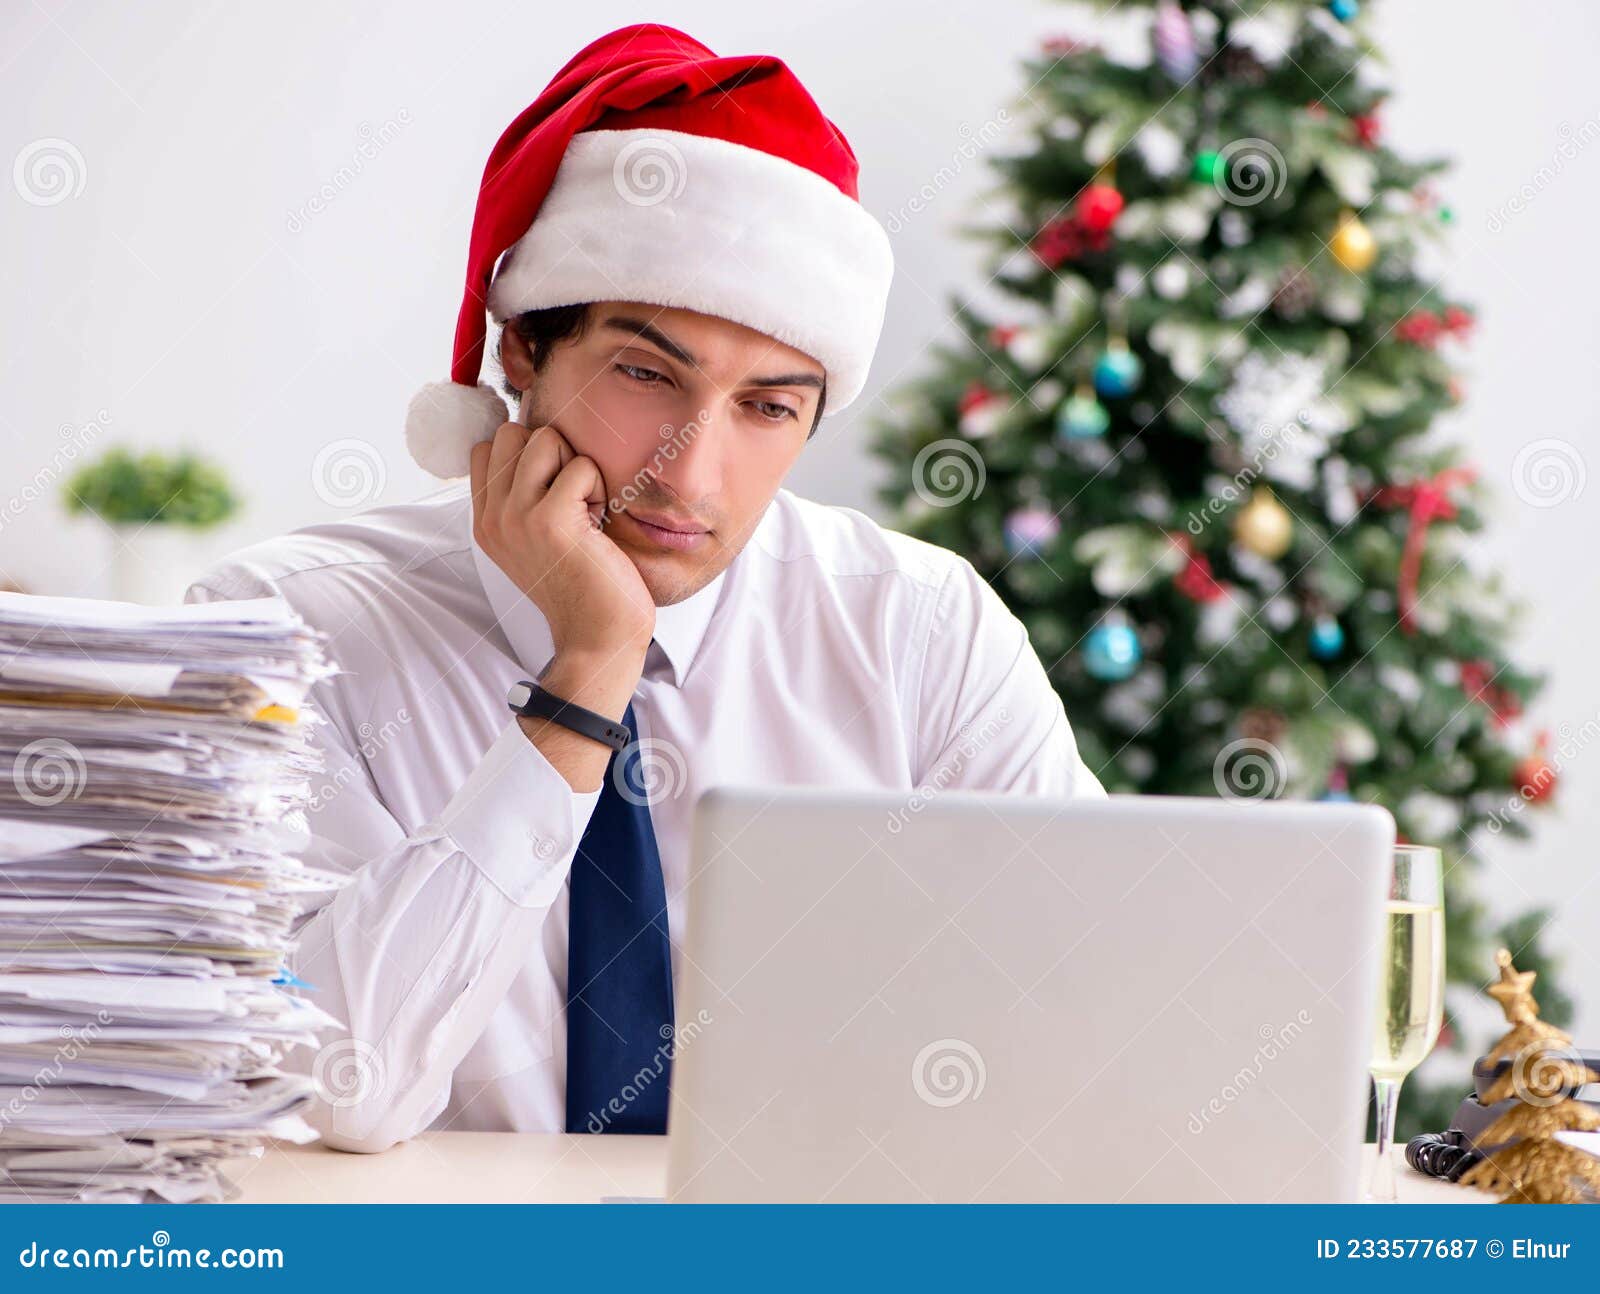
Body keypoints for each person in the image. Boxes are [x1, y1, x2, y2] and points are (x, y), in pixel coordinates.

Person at [187, 23, 1105, 1153]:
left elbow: (1092, 1017)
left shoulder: (919, 630)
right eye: (644, 373)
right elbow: (331, 1085)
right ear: (521, 351)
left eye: (769, 406)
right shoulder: (286, 631)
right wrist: (588, 671)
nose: (693, 472)